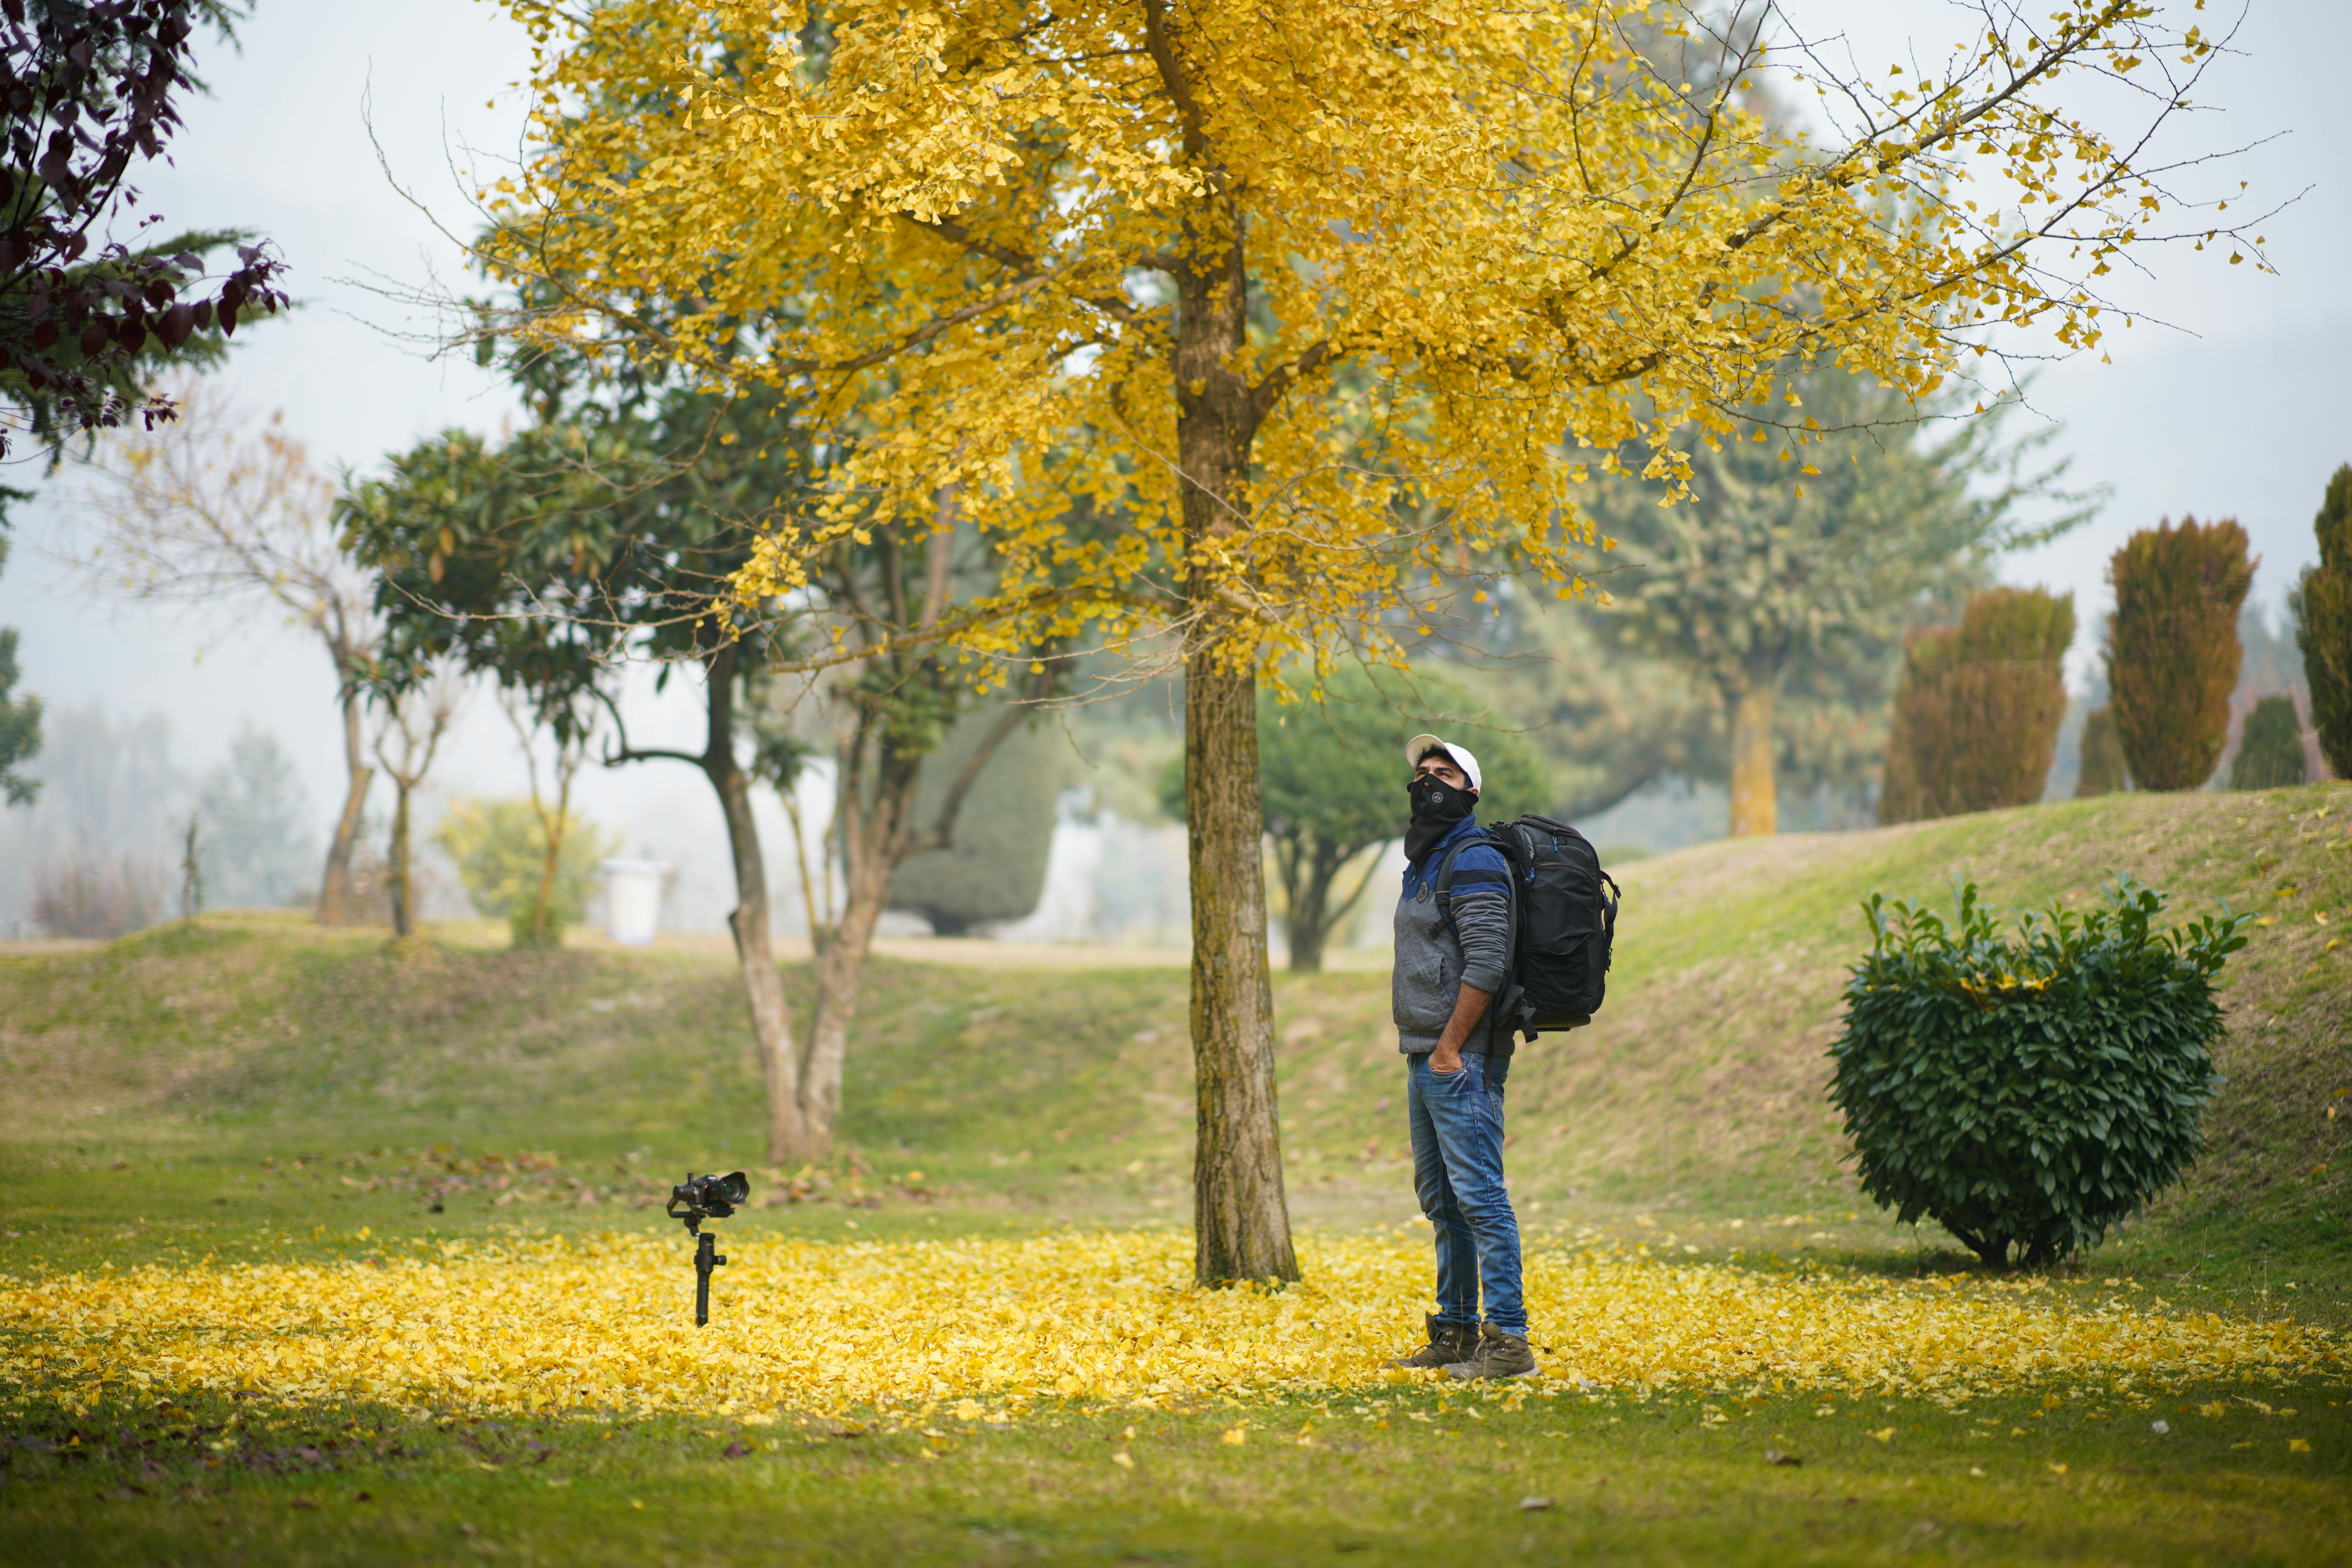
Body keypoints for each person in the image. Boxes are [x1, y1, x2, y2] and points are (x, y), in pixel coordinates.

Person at [1383, 733, 1535, 1379]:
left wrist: (1449, 1048)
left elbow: (1487, 961)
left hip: (1460, 1057)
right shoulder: (1426, 860)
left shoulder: (1471, 858)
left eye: (1444, 773)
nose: (1429, 781)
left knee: (1479, 1196)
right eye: (1423, 772)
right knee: (1443, 1200)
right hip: (1427, 1055)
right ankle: (1454, 1331)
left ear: (1470, 791)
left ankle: (1508, 1343)